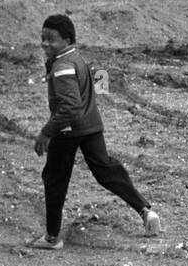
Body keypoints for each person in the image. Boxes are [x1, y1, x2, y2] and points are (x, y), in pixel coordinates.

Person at [30, 13, 160, 249]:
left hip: (68, 129)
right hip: (91, 125)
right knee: (106, 170)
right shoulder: (76, 58)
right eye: (43, 39)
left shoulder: (63, 66)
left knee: (55, 178)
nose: (45, 44)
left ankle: (51, 238)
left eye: (51, 40)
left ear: (67, 40)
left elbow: (70, 107)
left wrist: (46, 132)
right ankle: (144, 210)